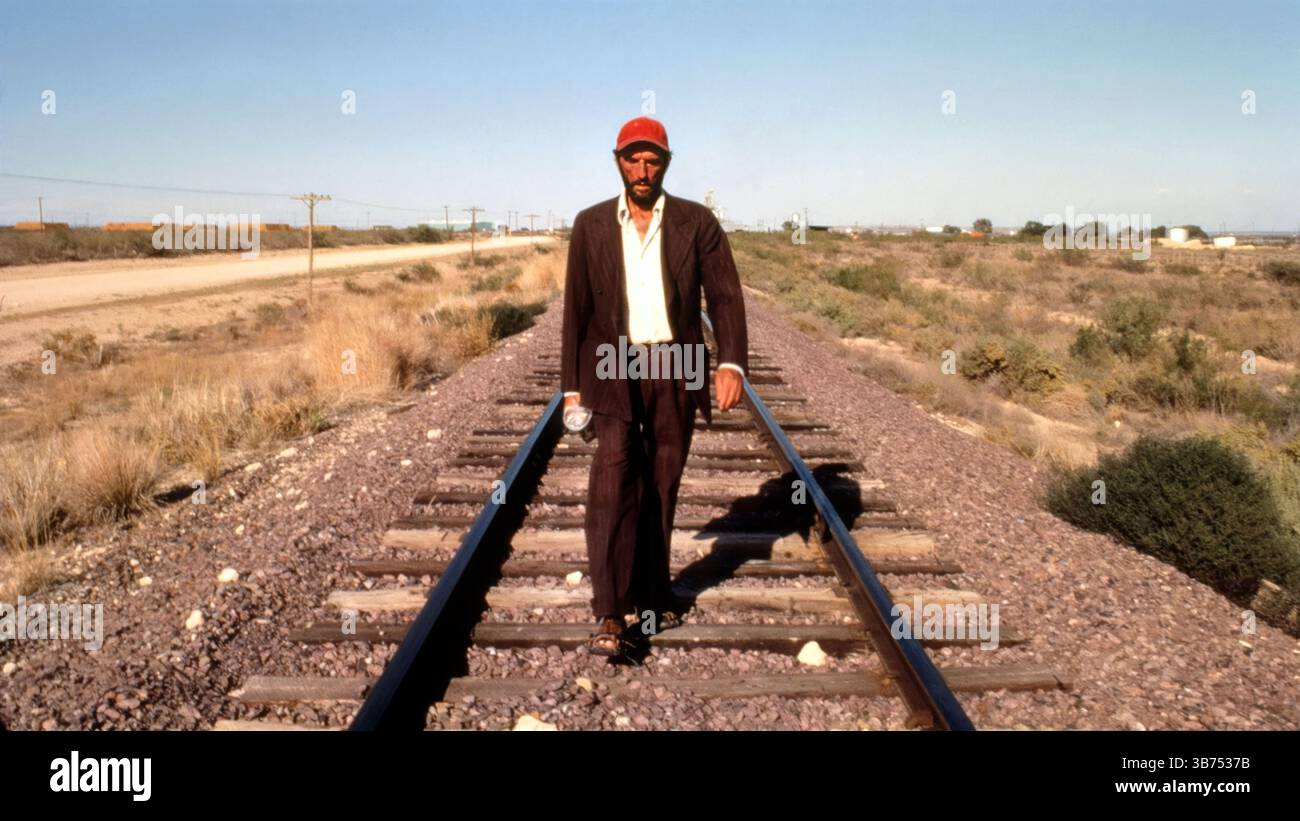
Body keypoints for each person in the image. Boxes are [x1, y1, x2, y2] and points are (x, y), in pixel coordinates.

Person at [559, 116, 749, 657]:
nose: (642, 170)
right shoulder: (591, 224)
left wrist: (730, 363)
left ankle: (651, 591)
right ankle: (609, 613)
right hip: (610, 363)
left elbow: (726, 296)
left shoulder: (697, 221)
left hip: (680, 358)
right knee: (613, 480)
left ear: (666, 163)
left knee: (663, 482)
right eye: (632, 159)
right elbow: (577, 309)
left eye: (652, 160)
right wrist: (572, 388)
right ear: (617, 161)